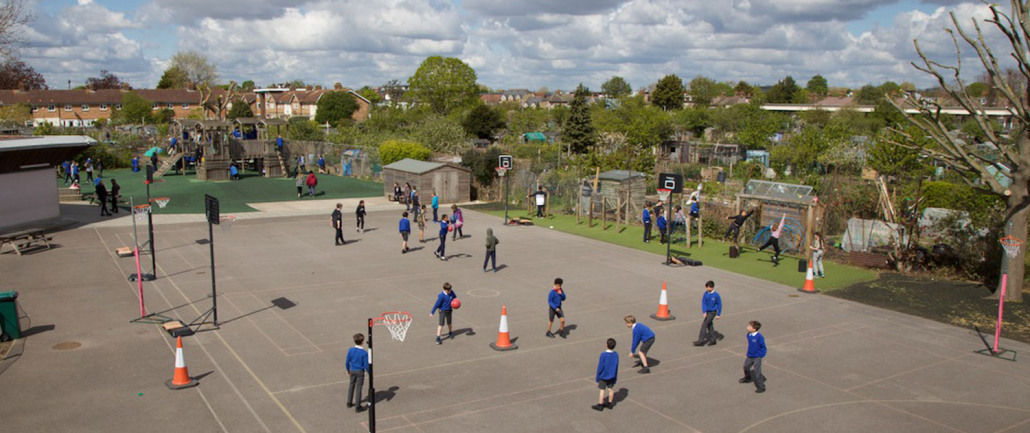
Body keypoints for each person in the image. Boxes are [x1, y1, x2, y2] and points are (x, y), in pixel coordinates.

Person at [741, 320, 767, 393]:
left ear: (754, 329)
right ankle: (747, 377)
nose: (747, 327)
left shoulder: (759, 337)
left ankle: (761, 386)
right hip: (749, 355)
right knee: (746, 367)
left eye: (749, 326)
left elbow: (763, 347)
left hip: (756, 357)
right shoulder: (748, 335)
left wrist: (760, 355)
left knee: (757, 372)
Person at [694, 281, 723, 346]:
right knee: (710, 325)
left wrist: (718, 314)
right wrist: (704, 311)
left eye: (707, 287)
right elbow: (704, 303)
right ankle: (713, 340)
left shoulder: (716, 295)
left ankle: (701, 340)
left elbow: (719, 305)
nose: (706, 288)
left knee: (704, 325)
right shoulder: (705, 294)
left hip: (712, 312)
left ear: (711, 287)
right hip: (707, 312)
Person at [593, 338, 619, 411]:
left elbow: (600, 366)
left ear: (606, 345)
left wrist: (598, 376)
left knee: (602, 389)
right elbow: (616, 365)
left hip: (604, 375)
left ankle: (600, 404)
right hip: (612, 375)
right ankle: (610, 403)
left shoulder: (603, 355)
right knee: (610, 389)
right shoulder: (615, 354)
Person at [345, 333, 369, 411]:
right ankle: (358, 406)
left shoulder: (350, 350)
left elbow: (347, 361)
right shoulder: (364, 353)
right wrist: (370, 373)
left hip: (352, 370)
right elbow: (366, 365)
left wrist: (348, 370)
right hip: (360, 371)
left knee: (351, 386)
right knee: (358, 388)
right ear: (362, 342)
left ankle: (349, 402)